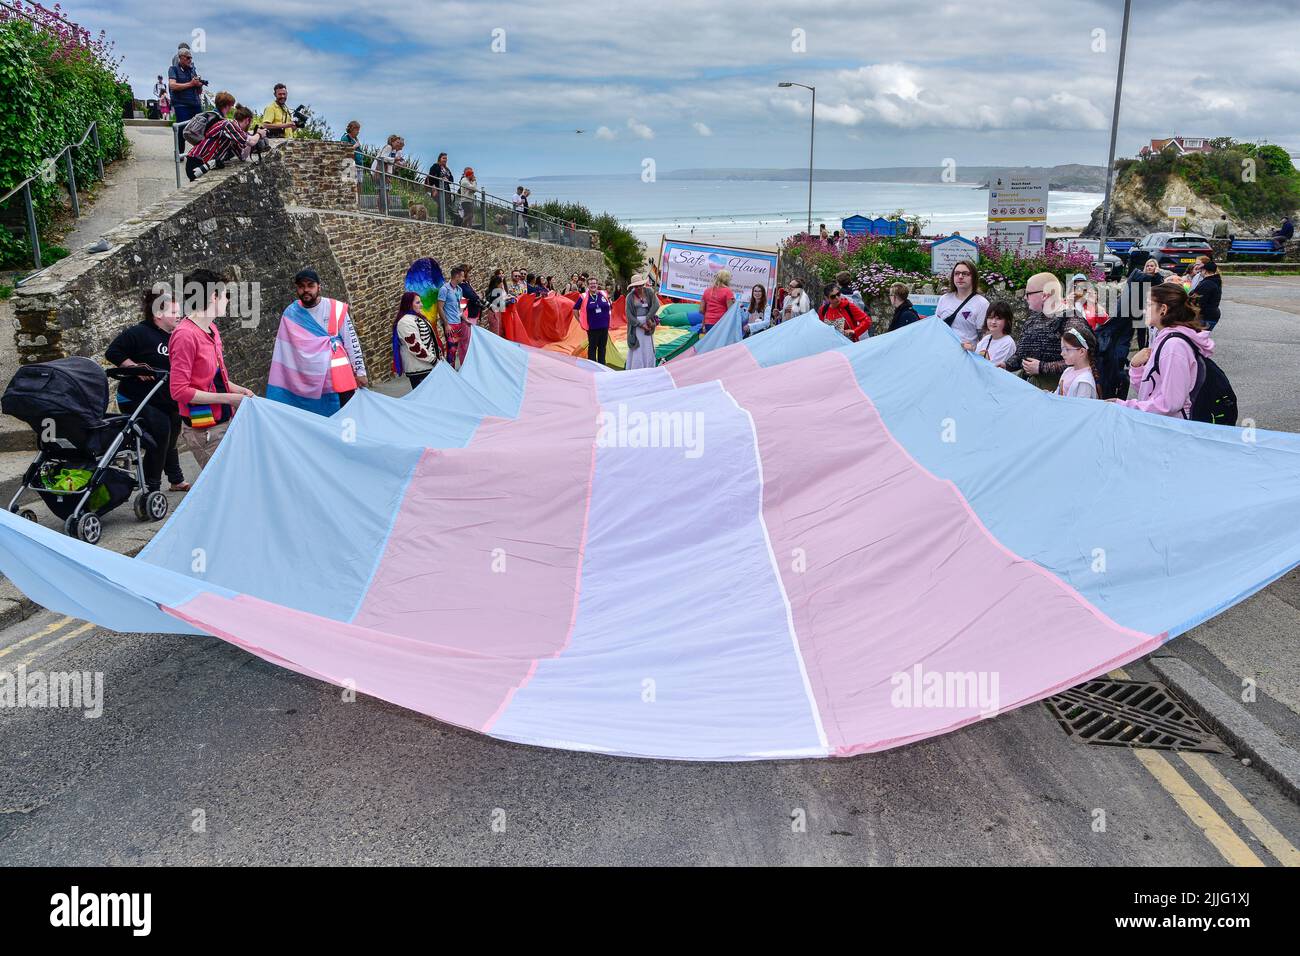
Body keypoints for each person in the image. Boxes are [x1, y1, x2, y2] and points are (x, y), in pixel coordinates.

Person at [105, 288, 190, 493]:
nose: (179, 315)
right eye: (173, 312)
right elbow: (113, 352)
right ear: (158, 314)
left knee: (171, 435)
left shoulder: (177, 335)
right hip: (138, 398)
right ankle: (151, 486)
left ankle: (176, 480)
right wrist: (133, 367)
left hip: (166, 398)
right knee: (161, 433)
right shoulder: (139, 333)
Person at [168, 268, 252, 470]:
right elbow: (179, 391)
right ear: (214, 296)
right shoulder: (185, 336)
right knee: (228, 489)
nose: (228, 300)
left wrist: (237, 389)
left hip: (223, 421)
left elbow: (212, 379)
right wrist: (229, 398)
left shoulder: (211, 328)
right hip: (205, 431)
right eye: (226, 295)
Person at [266, 269, 368, 415]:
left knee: (349, 420)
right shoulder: (291, 314)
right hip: (307, 379)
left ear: (319, 287)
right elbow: (285, 351)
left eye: (310, 285)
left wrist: (360, 371)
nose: (306, 290)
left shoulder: (336, 309)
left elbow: (351, 341)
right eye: (301, 286)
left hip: (340, 377)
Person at [1112, 283, 1214, 418]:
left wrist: (1124, 406)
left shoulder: (1174, 347)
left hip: (1170, 428)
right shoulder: (1165, 338)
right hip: (1160, 423)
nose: (1143, 310)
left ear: (1163, 309)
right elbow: (1150, 392)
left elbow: (1170, 404)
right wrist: (1136, 367)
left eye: (1148, 305)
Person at [1005, 272, 1086, 391]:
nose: (1024, 298)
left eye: (1028, 294)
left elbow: (1081, 360)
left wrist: (1042, 367)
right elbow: (1020, 355)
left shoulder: (1071, 319)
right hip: (1030, 387)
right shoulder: (1033, 319)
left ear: (1044, 295)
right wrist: (1005, 365)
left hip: (1055, 391)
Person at [184, 105, 267, 181]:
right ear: (248, 120)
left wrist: (250, 137)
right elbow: (251, 142)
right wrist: (258, 134)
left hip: (199, 162)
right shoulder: (228, 125)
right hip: (196, 163)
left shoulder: (235, 133)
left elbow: (243, 156)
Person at [934, 260, 989, 349]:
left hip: (966, 355)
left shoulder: (982, 303)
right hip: (942, 352)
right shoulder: (944, 299)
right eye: (956, 273)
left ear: (973, 277)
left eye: (965, 273)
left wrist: (974, 349)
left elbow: (984, 338)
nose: (960, 277)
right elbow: (936, 327)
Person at [392, 291, 440, 390]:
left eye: (420, 302)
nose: (421, 305)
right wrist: (433, 360)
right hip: (419, 369)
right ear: (409, 304)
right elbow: (415, 347)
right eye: (418, 303)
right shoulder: (405, 322)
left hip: (427, 366)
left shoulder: (416, 317)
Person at [624, 273, 660, 370]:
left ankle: (648, 367)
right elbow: (629, 315)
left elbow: (656, 305)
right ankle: (636, 368)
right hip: (636, 326)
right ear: (633, 286)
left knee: (647, 345)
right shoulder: (630, 297)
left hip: (648, 324)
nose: (639, 287)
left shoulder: (649, 292)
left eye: (641, 285)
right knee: (637, 347)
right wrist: (640, 325)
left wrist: (648, 318)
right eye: (637, 286)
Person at [574, 276, 612, 365]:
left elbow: (610, 306)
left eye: (594, 283)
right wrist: (580, 321)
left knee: (602, 348)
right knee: (592, 348)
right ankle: (593, 367)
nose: (593, 285)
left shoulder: (603, 294)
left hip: (604, 326)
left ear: (597, 284)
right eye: (591, 284)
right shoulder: (583, 296)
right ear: (588, 285)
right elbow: (575, 309)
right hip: (592, 328)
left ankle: (602, 365)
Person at [1056, 325, 1100, 399]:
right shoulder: (1067, 371)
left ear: (1082, 351)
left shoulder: (1085, 381)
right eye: (1062, 349)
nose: (1062, 353)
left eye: (1067, 349)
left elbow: (1079, 408)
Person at [440, 264, 470, 369]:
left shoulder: (459, 290)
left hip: (458, 323)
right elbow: (440, 308)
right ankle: (451, 373)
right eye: (462, 276)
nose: (463, 278)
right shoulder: (444, 289)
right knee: (451, 350)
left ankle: (452, 371)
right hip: (450, 325)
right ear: (456, 276)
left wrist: (465, 319)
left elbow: (460, 307)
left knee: (455, 349)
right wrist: (446, 324)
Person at [167, 47, 204, 126]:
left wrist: (199, 85)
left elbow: (199, 92)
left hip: (195, 104)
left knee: (199, 129)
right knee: (182, 129)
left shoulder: (192, 70)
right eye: (187, 57)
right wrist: (191, 84)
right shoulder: (173, 69)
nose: (190, 60)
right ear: (180, 57)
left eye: (191, 58)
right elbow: (172, 85)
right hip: (181, 105)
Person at [975, 301, 1016, 367]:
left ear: (1007, 321)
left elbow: (994, 368)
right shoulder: (986, 338)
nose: (993, 322)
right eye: (990, 317)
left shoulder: (1007, 343)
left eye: (998, 319)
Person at [1190, 258, 1222, 331]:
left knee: (1198, 338)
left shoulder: (1207, 284)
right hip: (1212, 315)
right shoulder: (1216, 281)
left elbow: (1198, 301)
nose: (1200, 273)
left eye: (1201, 270)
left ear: (1205, 271)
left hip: (1205, 317)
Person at [340, 121, 364, 192]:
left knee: (359, 184)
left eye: (358, 130)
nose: (358, 132)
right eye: (356, 130)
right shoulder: (346, 137)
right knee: (352, 185)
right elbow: (344, 150)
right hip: (350, 164)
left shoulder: (355, 138)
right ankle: (355, 201)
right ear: (351, 129)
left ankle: (359, 202)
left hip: (359, 164)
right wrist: (355, 146)